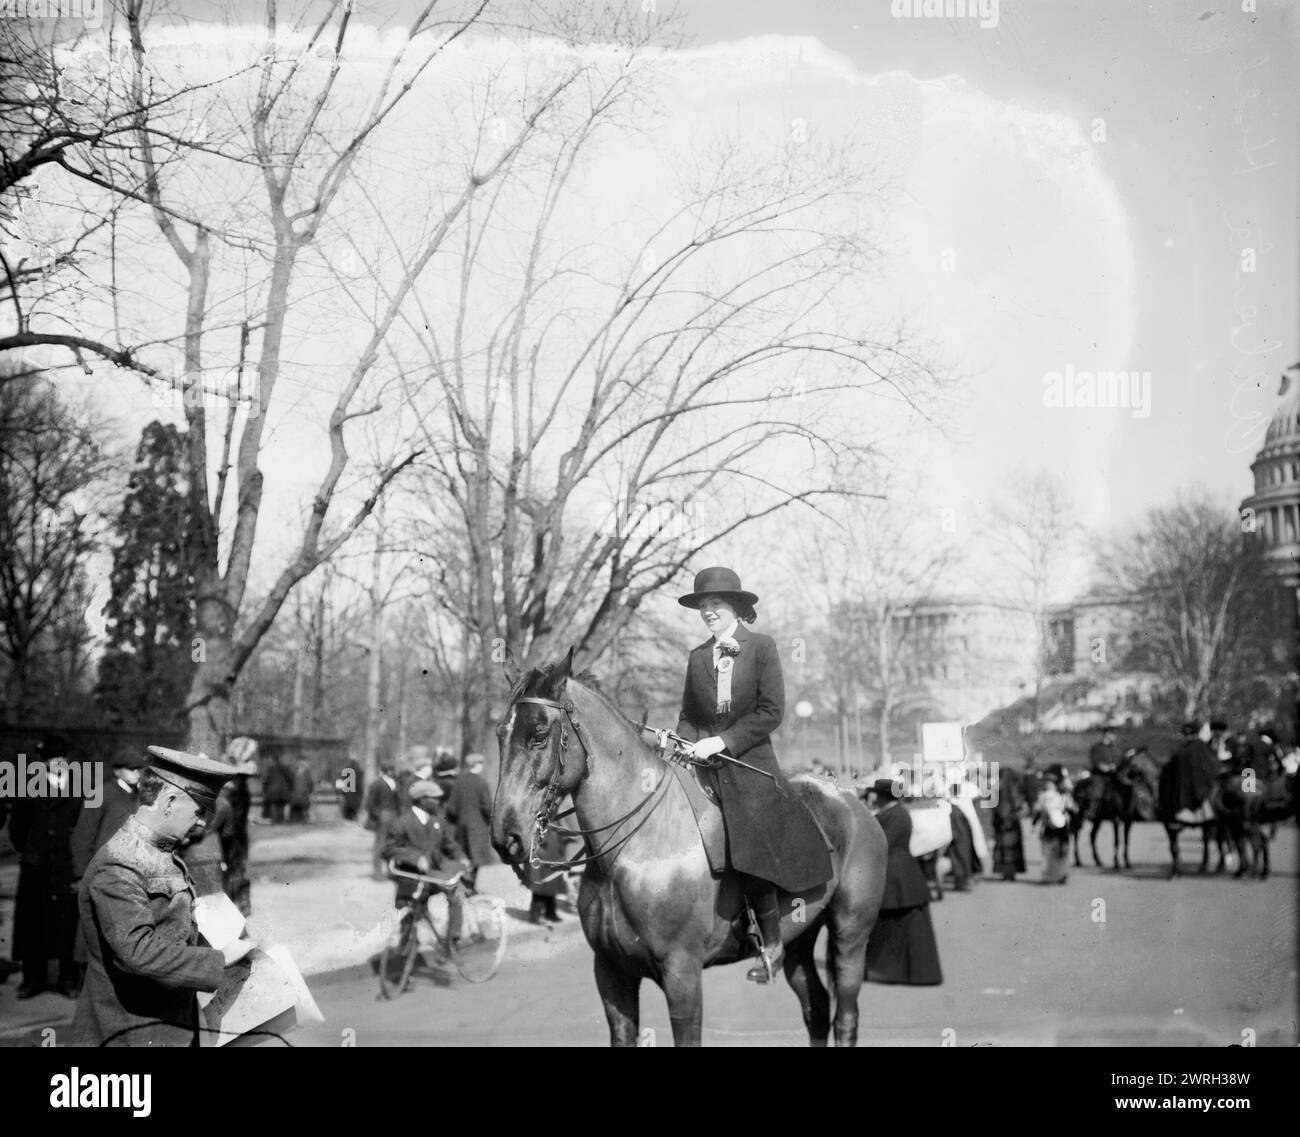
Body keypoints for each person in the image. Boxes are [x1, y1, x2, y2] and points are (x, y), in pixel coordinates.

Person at [671, 566, 832, 984]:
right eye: (703, 606)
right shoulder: (696, 657)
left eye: (716, 604)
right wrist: (685, 742)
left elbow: (770, 712)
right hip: (705, 766)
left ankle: (771, 941)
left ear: (736, 607)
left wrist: (722, 742)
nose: (708, 612)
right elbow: (689, 715)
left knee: (749, 836)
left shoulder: (762, 648)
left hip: (750, 765)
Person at [71, 747, 256, 1046]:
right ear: (169, 801)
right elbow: (138, 952)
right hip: (132, 1031)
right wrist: (220, 960)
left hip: (167, 1023)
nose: (201, 824)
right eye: (199, 812)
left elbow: (172, 931)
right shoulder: (120, 862)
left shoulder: (161, 853)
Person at [9, 732, 83, 999]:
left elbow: (83, 824)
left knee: (67, 922)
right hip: (37, 865)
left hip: (66, 863)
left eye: (61, 756)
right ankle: (32, 979)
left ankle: (68, 978)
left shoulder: (80, 786)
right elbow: (17, 828)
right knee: (33, 922)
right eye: (51, 757)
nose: (57, 762)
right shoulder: (28, 785)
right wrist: (32, 851)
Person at [71, 745, 147, 983]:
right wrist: (81, 873)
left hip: (132, 870)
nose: (137, 773)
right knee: (90, 926)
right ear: (117, 771)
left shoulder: (141, 796)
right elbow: (82, 836)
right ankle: (84, 976)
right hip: (101, 869)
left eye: (139, 768)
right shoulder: (99, 794)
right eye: (131, 768)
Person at [863, 778, 942, 985]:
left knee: (899, 927)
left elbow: (882, 844)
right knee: (900, 927)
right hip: (901, 876)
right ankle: (892, 970)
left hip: (896, 875)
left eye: (875, 794)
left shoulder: (895, 815)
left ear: (881, 796)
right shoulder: (893, 813)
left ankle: (893, 971)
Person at [381, 779, 469, 941]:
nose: (438, 802)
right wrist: (415, 858)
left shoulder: (437, 821)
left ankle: (452, 940)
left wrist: (461, 857)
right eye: (434, 798)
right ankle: (406, 945)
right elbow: (388, 849)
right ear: (422, 800)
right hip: (413, 875)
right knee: (412, 910)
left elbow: (449, 844)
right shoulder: (402, 823)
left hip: (435, 872)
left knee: (458, 892)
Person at [211, 738, 257, 917]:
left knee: (237, 871)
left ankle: (238, 911)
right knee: (233, 872)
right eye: (249, 757)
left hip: (237, 835)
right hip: (229, 837)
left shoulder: (240, 784)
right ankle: (235, 913)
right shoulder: (231, 788)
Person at [444, 752, 493, 890]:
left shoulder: (459, 782)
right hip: (478, 827)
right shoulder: (482, 783)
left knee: (463, 856)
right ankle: (470, 887)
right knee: (475, 858)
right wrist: (490, 821)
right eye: (481, 764)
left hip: (461, 825)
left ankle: (465, 886)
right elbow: (487, 807)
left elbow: (451, 808)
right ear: (477, 765)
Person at [364, 756, 403, 881]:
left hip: (394, 816)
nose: (393, 772)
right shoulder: (377, 783)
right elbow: (370, 803)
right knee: (380, 845)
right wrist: (377, 815)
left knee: (393, 844)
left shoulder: (395, 783)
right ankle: (377, 872)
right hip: (384, 815)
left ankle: (392, 871)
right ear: (388, 771)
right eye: (391, 770)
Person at [1033, 770, 1074, 884]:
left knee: (1061, 852)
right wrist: (1034, 824)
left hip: (1061, 828)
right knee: (1048, 852)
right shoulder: (1042, 797)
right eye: (1046, 782)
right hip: (1048, 828)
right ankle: (1049, 876)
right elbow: (1038, 813)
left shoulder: (1063, 797)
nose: (1048, 784)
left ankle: (1062, 874)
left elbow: (1071, 810)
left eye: (1050, 782)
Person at [991, 763, 1027, 881]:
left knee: (1008, 850)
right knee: (1007, 849)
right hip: (1008, 825)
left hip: (1008, 825)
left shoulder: (1009, 790)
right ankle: (1008, 873)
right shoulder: (1003, 790)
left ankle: (1009, 873)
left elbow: (1018, 807)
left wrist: (1008, 816)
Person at [261, 752, 292, 824]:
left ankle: (275, 820)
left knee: (274, 804)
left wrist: (264, 790)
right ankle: (284, 820)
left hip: (273, 790)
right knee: (284, 804)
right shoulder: (285, 767)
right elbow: (290, 778)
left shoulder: (270, 769)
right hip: (284, 790)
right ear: (279, 759)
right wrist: (290, 787)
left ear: (273, 760)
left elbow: (266, 780)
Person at [289, 755, 314, 823]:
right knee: (297, 807)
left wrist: (309, 792)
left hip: (303, 793)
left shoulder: (306, 771)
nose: (300, 763)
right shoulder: (295, 771)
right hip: (297, 794)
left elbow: (310, 783)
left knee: (304, 807)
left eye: (302, 762)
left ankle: (304, 820)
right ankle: (297, 819)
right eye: (299, 762)